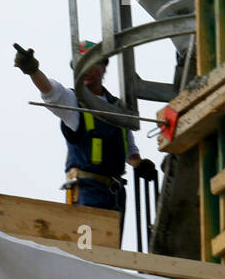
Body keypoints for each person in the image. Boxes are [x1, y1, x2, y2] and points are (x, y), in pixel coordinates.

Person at [13, 41, 157, 223]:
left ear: (103, 67)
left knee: (111, 250)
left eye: (90, 64)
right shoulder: (74, 102)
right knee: (87, 245)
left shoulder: (116, 107)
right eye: (80, 66)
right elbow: (50, 90)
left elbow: (128, 144)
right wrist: (33, 70)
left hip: (115, 193)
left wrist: (138, 164)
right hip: (86, 191)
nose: (85, 70)